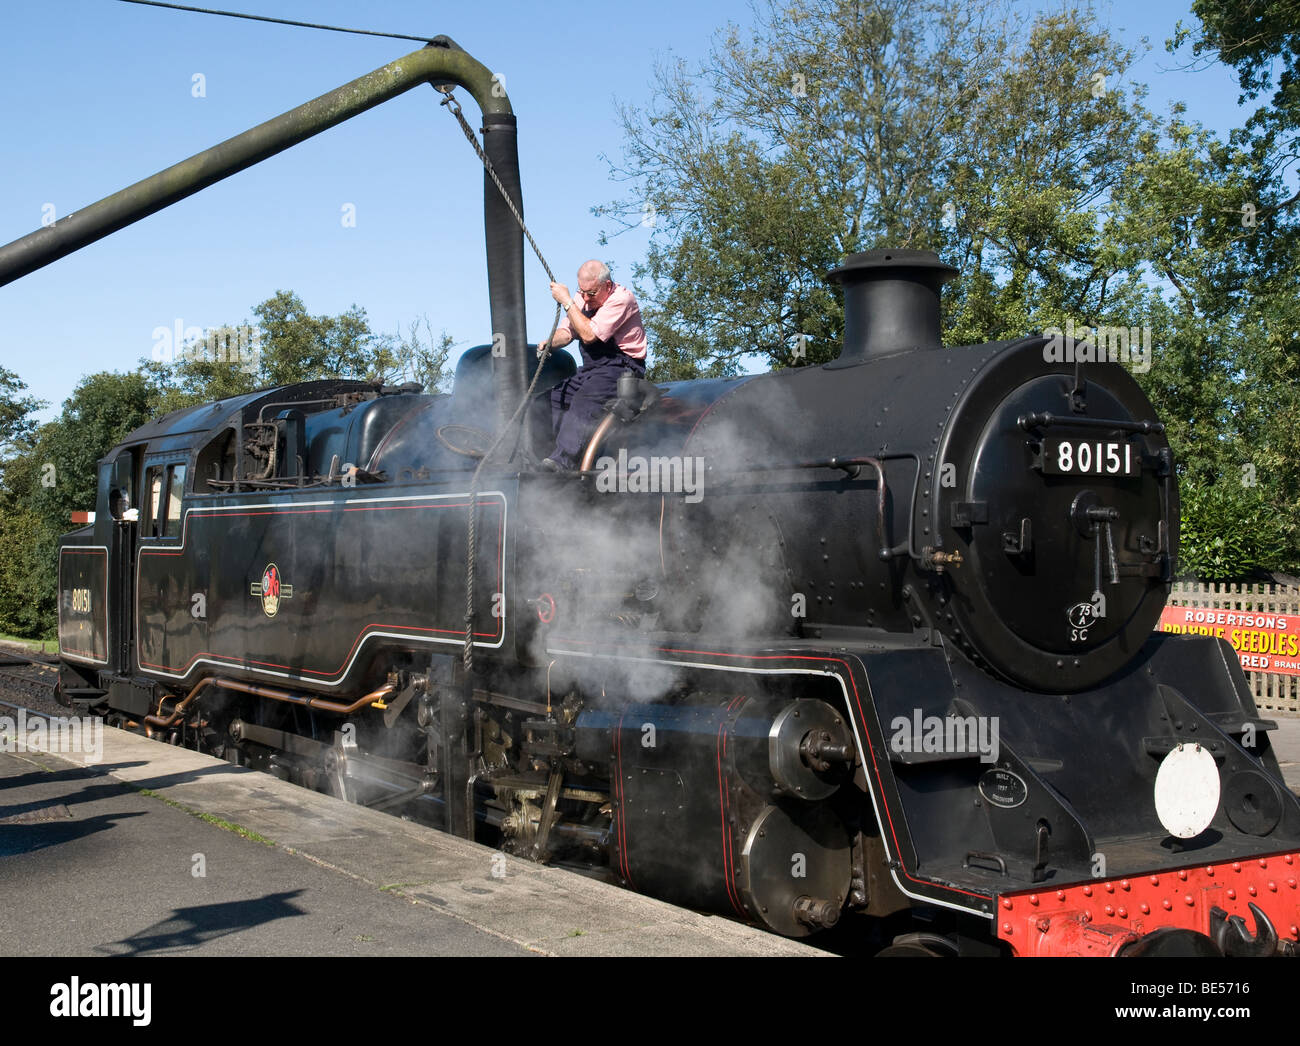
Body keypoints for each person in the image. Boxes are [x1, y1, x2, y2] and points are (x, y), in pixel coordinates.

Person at [537, 260, 647, 470]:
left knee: (585, 399)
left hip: (622, 367)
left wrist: (567, 302)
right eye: (582, 292)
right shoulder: (581, 298)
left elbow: (588, 335)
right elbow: (568, 332)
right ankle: (546, 457)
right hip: (592, 369)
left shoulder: (621, 299)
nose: (586, 298)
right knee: (549, 400)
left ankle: (564, 461)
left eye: (591, 293)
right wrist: (550, 342)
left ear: (606, 285)